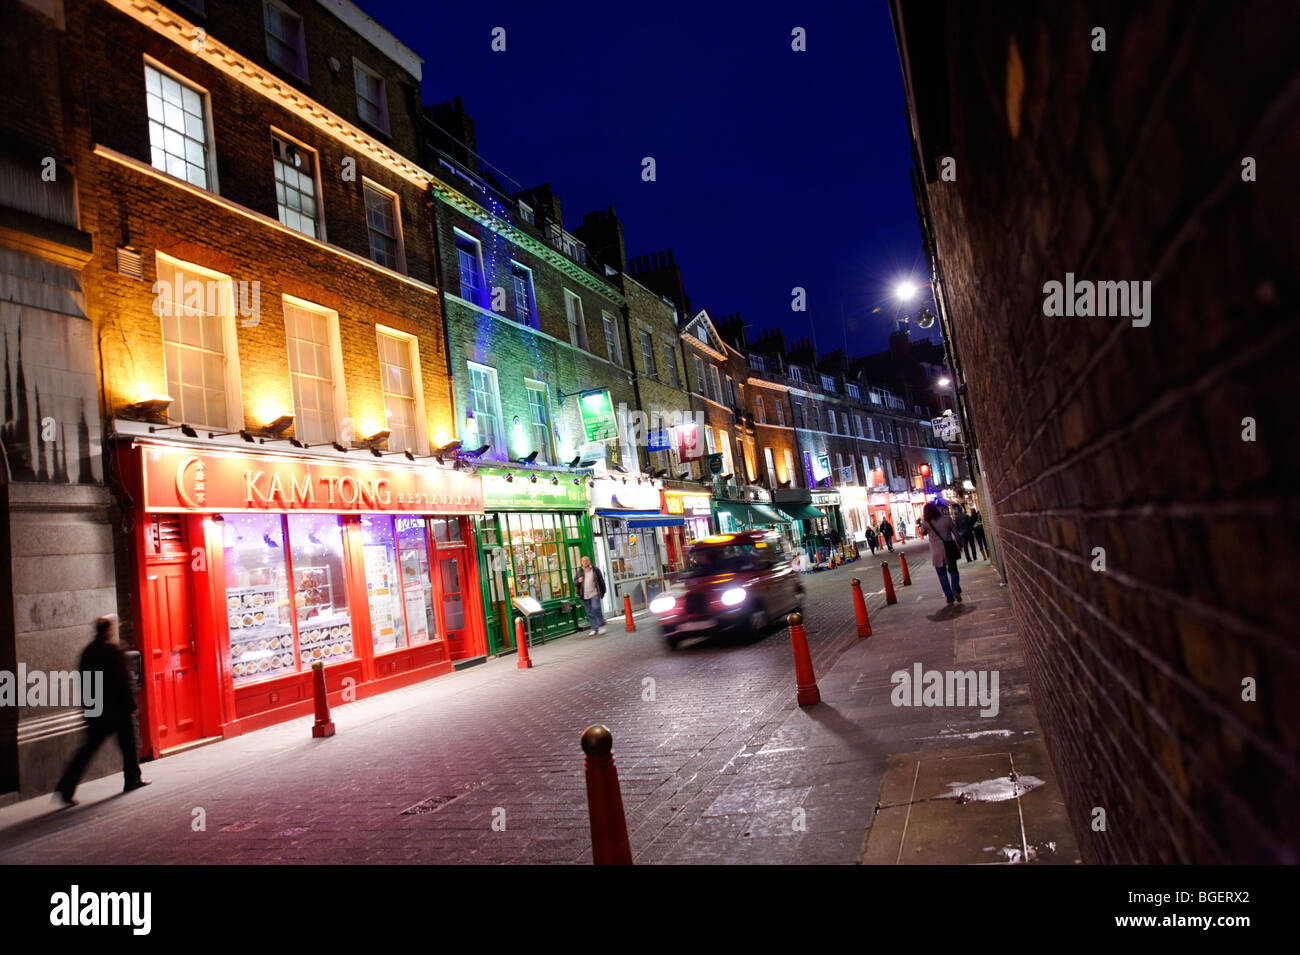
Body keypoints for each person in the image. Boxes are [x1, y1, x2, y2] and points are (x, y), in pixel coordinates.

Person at [56, 615, 149, 805]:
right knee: (129, 745)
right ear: (108, 630)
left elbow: (84, 679)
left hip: (96, 709)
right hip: (117, 710)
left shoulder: (87, 651)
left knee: (87, 750)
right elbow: (122, 681)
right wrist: (131, 705)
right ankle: (132, 779)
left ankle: (66, 787)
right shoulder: (113, 650)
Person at [921, 502, 963, 605]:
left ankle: (949, 598)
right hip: (949, 549)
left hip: (937, 553)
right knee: (953, 571)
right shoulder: (946, 519)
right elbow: (956, 533)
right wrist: (960, 545)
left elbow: (922, 532)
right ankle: (955, 589)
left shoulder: (926, 523)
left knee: (942, 575)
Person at [574, 556, 607, 635]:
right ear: (582, 563)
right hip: (585, 595)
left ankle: (601, 625)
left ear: (589, 561)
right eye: (583, 561)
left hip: (594, 593)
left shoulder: (595, 570)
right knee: (589, 612)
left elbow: (601, 581)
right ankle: (594, 628)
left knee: (596, 608)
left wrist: (603, 592)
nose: (585, 562)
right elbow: (574, 582)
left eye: (587, 560)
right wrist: (578, 581)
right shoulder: (579, 572)